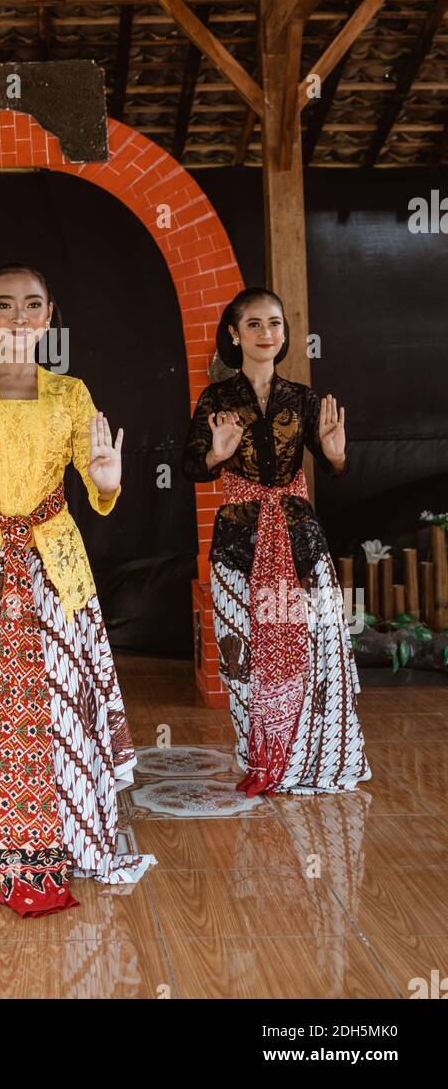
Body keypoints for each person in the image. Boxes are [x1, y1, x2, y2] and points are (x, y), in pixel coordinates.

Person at [0, 262, 156, 916]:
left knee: (61, 702)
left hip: (54, 563)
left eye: (32, 305)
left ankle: (71, 832)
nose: (19, 317)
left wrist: (106, 478)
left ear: (49, 317)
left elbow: (100, 487)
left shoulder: (70, 393)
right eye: (5, 305)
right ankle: (6, 829)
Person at [182, 287, 371, 797]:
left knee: (309, 650)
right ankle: (261, 759)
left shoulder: (303, 399)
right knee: (245, 655)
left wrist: (333, 456)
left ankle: (309, 761)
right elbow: (191, 467)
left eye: (276, 324)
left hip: (298, 541)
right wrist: (217, 456)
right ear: (234, 334)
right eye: (256, 325)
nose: (268, 334)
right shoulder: (218, 400)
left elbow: (337, 470)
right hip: (240, 545)